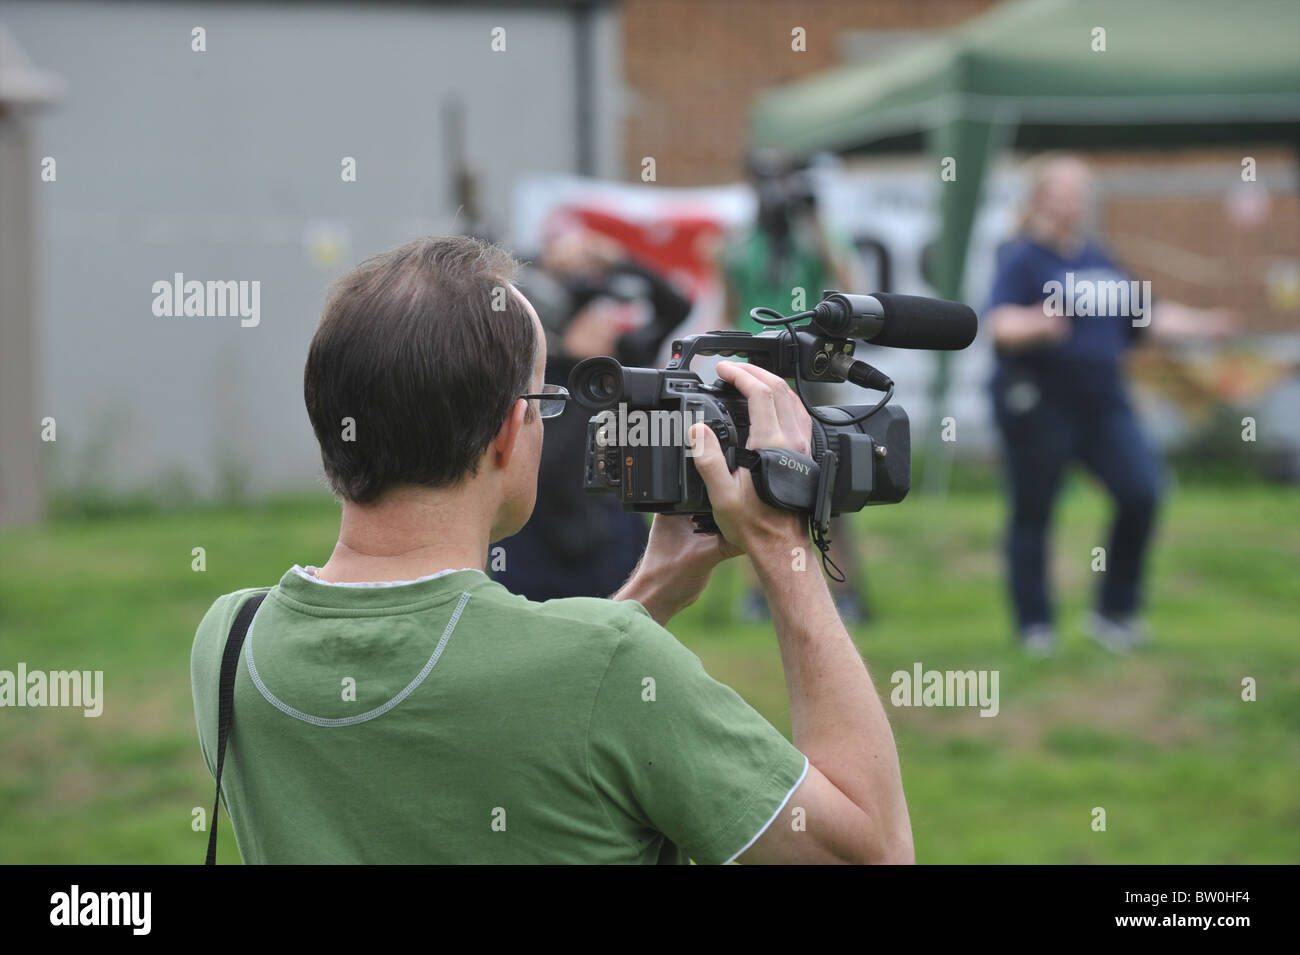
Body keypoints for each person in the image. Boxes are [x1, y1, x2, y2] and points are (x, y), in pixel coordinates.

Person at [190, 235, 913, 864]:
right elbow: (871, 851)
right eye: (546, 400)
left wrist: (653, 586)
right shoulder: (612, 665)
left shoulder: (232, 646)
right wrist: (782, 545)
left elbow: (507, 706)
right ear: (509, 431)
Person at [985, 153, 1233, 656]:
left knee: (1142, 491)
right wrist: (1038, 322)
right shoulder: (1021, 257)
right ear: (1040, 198)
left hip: (1104, 402)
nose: (1075, 203)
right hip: (1040, 401)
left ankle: (1114, 613)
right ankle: (1035, 625)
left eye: (1082, 193)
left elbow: (1150, 315)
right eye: (1065, 192)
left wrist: (1208, 324)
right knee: (1034, 510)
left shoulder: (1100, 258)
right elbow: (998, 324)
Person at [493, 225, 692, 601]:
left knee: (614, 630)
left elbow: (676, 307)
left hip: (605, 534)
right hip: (532, 536)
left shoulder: (614, 370)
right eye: (589, 314)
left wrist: (616, 259)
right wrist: (547, 262)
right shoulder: (523, 370)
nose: (602, 323)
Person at [719, 151, 872, 623]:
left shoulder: (814, 237)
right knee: (755, 476)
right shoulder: (741, 245)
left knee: (830, 476)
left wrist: (814, 225)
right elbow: (730, 308)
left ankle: (844, 590)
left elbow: (851, 283)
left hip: (812, 369)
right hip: (757, 371)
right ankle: (757, 594)